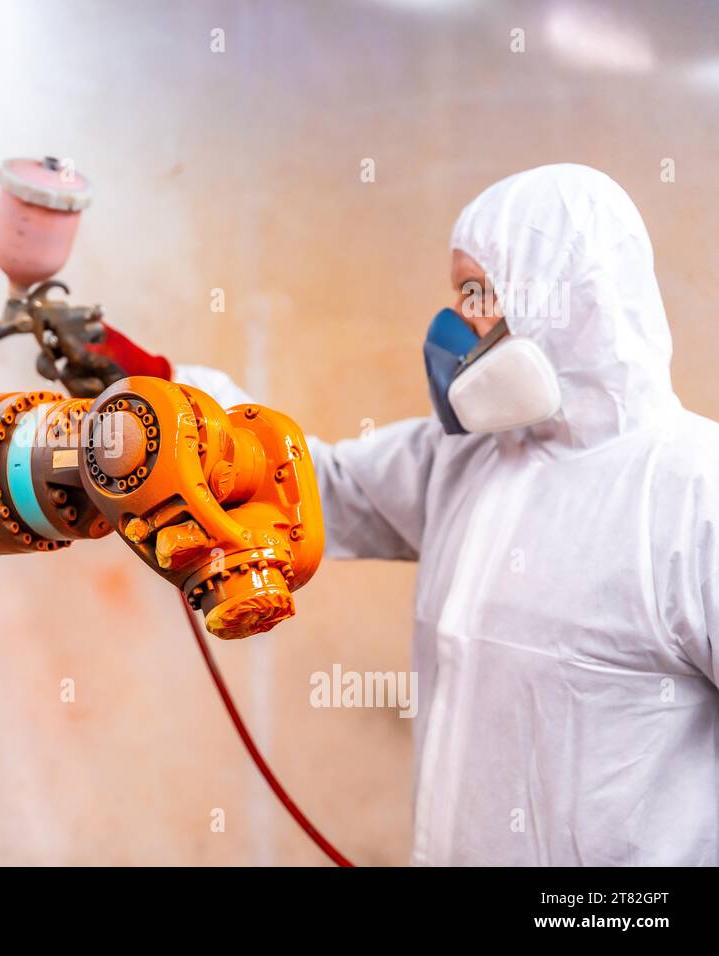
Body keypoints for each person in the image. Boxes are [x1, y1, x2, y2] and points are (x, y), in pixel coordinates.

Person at [74, 164, 719, 866]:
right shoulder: (461, 460)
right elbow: (307, 480)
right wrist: (159, 399)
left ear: (567, 298)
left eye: (477, 292)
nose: (455, 325)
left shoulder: (691, 492)